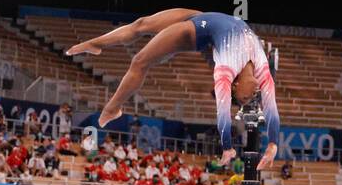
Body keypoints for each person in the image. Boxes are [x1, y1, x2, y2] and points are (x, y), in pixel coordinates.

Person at [66, 9, 280, 170]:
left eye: (245, 98)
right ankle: (95, 44)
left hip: (196, 31)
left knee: (139, 61)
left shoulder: (225, 70)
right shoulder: (262, 71)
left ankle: (113, 108)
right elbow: (270, 108)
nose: (253, 95)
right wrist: (272, 144)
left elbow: (223, 114)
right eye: (247, 98)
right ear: (235, 85)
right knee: (140, 24)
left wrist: (230, 147)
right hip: (203, 16)